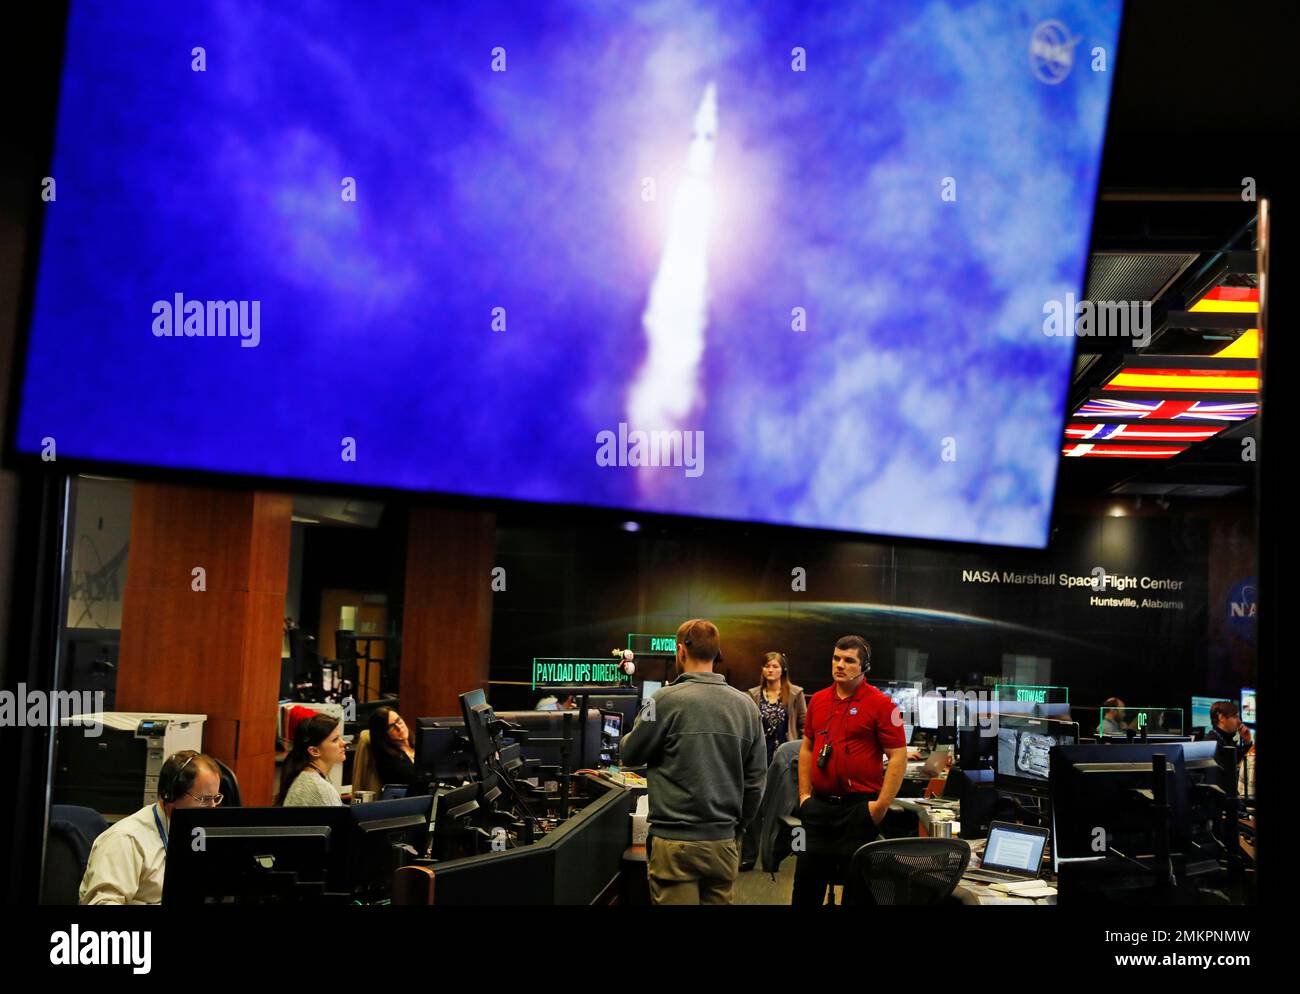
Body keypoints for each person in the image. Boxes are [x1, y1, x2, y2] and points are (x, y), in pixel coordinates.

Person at [620, 618, 766, 905]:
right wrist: (736, 829)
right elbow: (757, 782)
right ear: (716, 654)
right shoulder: (746, 707)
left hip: (675, 844)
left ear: (680, 651)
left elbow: (630, 755)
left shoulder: (662, 701)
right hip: (723, 843)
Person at [793, 635, 907, 907]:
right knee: (804, 891)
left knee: (859, 894)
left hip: (858, 811)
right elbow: (807, 747)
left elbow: (898, 756)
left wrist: (880, 806)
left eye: (848, 660)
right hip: (818, 810)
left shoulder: (883, 705)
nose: (840, 665)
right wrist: (804, 796)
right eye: (836, 658)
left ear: (864, 666)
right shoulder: (818, 700)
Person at [78, 749, 223, 904]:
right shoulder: (126, 839)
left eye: (216, 798)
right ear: (171, 796)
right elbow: (103, 902)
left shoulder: (196, 834)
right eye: (205, 799)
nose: (213, 807)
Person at [747, 652, 808, 765]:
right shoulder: (754, 694)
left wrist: (803, 752)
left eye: (775, 666)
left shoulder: (795, 693)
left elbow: (804, 724)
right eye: (767, 666)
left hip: (787, 752)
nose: (770, 670)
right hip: (761, 752)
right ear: (762, 669)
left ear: (783, 669)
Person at [277, 712, 346, 806]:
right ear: (314, 751)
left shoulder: (307, 777)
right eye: (335, 740)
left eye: (340, 737)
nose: (343, 743)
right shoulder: (320, 789)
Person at [367, 706, 430, 792]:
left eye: (398, 721)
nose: (399, 728)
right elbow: (414, 782)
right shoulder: (388, 760)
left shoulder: (420, 744)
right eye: (391, 727)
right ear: (382, 734)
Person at [1209, 700, 1253, 767]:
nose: (1239, 721)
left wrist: (1247, 742)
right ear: (1221, 718)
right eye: (1235, 717)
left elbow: (1241, 761)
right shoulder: (1213, 745)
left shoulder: (1226, 739)